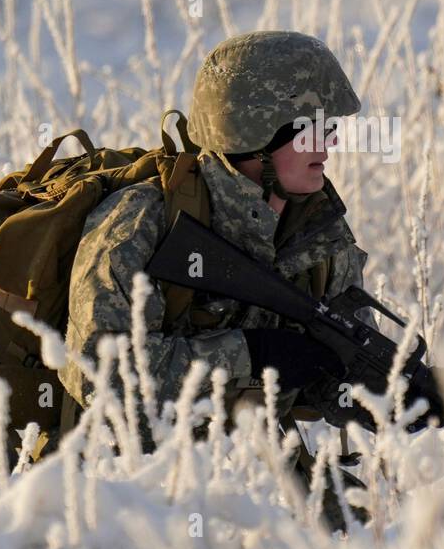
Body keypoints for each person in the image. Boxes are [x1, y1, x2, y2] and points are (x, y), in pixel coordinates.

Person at [59, 31, 375, 469]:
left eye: (331, 128)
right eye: (314, 128)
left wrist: (369, 395)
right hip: (121, 484)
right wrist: (251, 353)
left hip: (252, 468)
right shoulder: (144, 222)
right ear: (254, 135)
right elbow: (101, 374)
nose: (330, 143)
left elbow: (334, 366)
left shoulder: (321, 234)